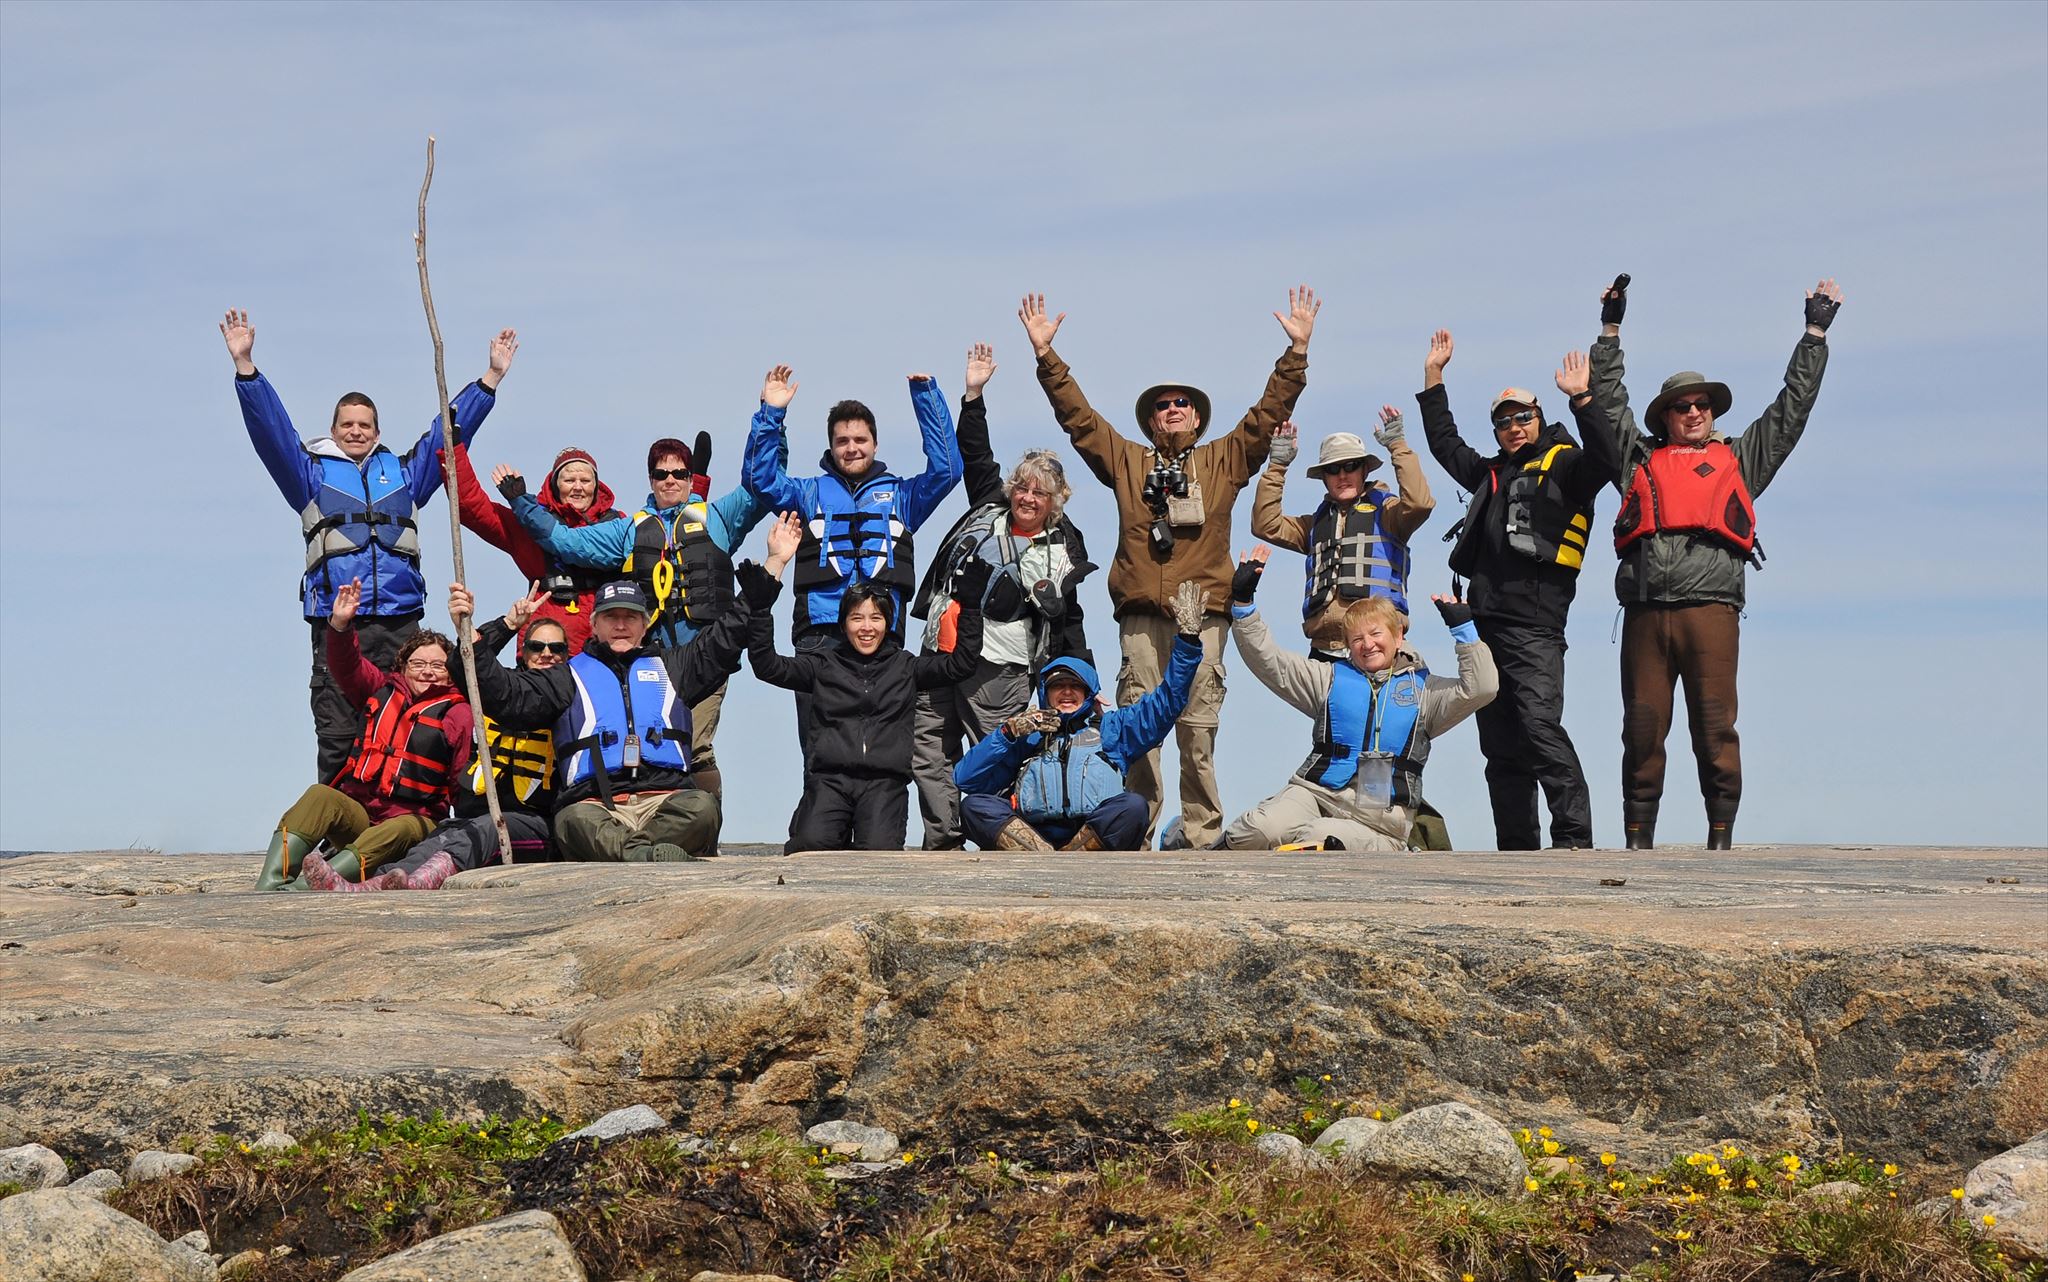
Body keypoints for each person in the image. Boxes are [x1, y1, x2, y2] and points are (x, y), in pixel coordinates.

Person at [1018, 287, 1320, 847]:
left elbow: (1266, 417)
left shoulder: (1224, 460)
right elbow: (1080, 422)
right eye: (1162, 404)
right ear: (1152, 420)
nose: (1172, 409)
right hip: (1140, 619)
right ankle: (1135, 834)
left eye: (1183, 403)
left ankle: (1202, 838)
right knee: (1137, 731)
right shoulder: (1128, 462)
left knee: (1197, 731)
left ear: (1199, 418)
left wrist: (1296, 353)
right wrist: (1047, 358)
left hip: (1202, 617)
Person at [1583, 276, 1842, 850]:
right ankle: (1637, 844)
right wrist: (1610, 330)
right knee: (1643, 731)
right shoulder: (1637, 461)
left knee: (1715, 729)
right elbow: (1607, 403)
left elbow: (1790, 410)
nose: (1695, 412)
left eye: (1702, 404)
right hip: (1647, 615)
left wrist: (1815, 333)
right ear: (1666, 417)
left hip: (1712, 611)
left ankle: (1719, 843)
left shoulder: (1741, 459)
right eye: (1682, 406)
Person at [224, 308, 514, 780]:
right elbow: (272, 434)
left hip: (402, 625)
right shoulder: (310, 477)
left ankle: (409, 824)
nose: (356, 431)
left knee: (412, 723)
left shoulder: (403, 474)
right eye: (347, 424)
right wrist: (246, 369)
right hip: (340, 624)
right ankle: (336, 838)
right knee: (339, 731)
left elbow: (447, 432)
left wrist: (489, 380)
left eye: (364, 425)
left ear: (377, 433)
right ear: (334, 430)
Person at [1415, 332, 1618, 851]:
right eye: (1502, 422)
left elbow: (1607, 457)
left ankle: (1574, 840)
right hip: (1483, 625)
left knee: (1539, 727)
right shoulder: (1491, 473)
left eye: (1521, 417)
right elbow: (1444, 443)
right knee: (1500, 745)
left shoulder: (1568, 465)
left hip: (1535, 625)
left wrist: (1584, 400)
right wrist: (1434, 377)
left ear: (1539, 417)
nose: (1512, 428)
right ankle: (1517, 849)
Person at [503, 434, 776, 796]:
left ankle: (704, 835)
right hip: (653, 663)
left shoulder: (719, 518)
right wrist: (521, 501)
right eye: (661, 474)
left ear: (691, 479)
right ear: (650, 480)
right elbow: (566, 541)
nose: (670, 481)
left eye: (679, 473)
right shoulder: (630, 530)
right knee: (657, 749)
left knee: (695, 749)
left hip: (705, 655)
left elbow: (762, 483)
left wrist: (770, 415)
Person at [743, 365, 964, 798]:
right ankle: (819, 837)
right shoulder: (807, 495)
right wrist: (771, 412)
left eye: (860, 440)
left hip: (882, 641)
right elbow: (759, 479)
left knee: (883, 746)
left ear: (875, 444)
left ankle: (876, 833)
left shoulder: (901, 497)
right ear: (830, 446)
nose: (851, 448)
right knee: (818, 748)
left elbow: (946, 471)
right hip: (820, 639)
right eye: (842, 441)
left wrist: (926, 397)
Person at [909, 343, 1096, 849]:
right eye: (1023, 487)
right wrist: (973, 395)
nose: (1028, 498)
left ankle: (1011, 838)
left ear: (1055, 502)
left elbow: (1068, 618)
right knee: (928, 749)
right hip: (940, 649)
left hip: (1000, 665)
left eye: (1041, 493)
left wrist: (1086, 675)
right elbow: (976, 455)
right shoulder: (988, 510)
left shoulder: (1062, 547)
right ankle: (943, 840)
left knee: (1002, 751)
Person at [448, 577, 751, 861]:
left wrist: (772, 569)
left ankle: (632, 854)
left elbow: (725, 638)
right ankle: (651, 855)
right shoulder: (566, 677)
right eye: (610, 617)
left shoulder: (673, 669)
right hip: (598, 808)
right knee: (572, 820)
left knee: (703, 808)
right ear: (594, 625)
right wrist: (479, 633)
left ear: (645, 625)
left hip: (663, 802)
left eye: (630, 617)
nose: (620, 625)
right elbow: (499, 691)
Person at [1219, 549, 1497, 852]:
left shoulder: (1427, 692)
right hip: (1314, 793)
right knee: (1258, 830)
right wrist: (1244, 604)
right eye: (1356, 639)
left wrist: (1466, 634)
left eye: (1376, 634)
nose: (1367, 645)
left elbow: (1482, 688)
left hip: (1378, 821)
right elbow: (1269, 661)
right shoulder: (1328, 679)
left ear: (1398, 637)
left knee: (1319, 838)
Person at [741, 513, 989, 853]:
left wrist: (971, 607)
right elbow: (766, 665)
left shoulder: (906, 666)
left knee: (878, 857)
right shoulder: (823, 664)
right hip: (830, 781)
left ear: (888, 623)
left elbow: (962, 664)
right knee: (810, 848)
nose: (866, 627)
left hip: (885, 785)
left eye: (875, 618)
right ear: (843, 624)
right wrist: (760, 608)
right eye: (857, 618)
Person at [308, 590, 568, 892]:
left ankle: (419, 882)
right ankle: (379, 882)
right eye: (537, 646)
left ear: (567, 654)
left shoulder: (572, 696)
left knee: (482, 831)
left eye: (556, 647)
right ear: (522, 651)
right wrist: (508, 624)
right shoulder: (495, 690)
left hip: (534, 823)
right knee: (442, 837)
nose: (546, 653)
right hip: (473, 817)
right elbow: (469, 664)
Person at [953, 582, 1205, 852]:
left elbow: (1167, 703)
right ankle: (1042, 856)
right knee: (974, 806)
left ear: (1090, 693)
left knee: (1133, 807)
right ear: (1044, 693)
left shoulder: (1112, 729)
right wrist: (1007, 734)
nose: (1067, 692)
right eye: (1058, 686)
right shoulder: (1027, 735)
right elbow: (966, 779)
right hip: (1032, 835)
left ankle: (1073, 855)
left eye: (1076, 686)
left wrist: (1188, 642)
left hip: (1095, 833)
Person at [256, 580, 473, 890]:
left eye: (438, 665)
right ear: (403, 667)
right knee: (321, 796)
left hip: (415, 823)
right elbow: (347, 665)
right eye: (419, 663)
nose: (428, 671)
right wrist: (341, 624)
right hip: (363, 815)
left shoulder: (458, 713)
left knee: (397, 828)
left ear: (450, 671)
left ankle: (308, 888)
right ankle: (271, 883)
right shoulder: (381, 690)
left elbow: (462, 783)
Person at [1253, 411, 1434, 652]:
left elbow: (1420, 503)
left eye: (1350, 466)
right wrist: (1277, 466)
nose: (1342, 475)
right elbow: (1265, 524)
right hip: (1323, 648)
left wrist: (1397, 446)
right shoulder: (1314, 525)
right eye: (1332, 469)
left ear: (1364, 471)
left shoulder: (1389, 514)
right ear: (1324, 478)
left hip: (1377, 649)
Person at [448, 440, 626, 653]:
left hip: (603, 648)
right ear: (554, 485)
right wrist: (453, 447)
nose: (578, 487)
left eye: (585, 480)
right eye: (569, 479)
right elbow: (470, 506)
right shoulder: (528, 526)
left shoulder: (617, 526)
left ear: (596, 487)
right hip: (544, 653)